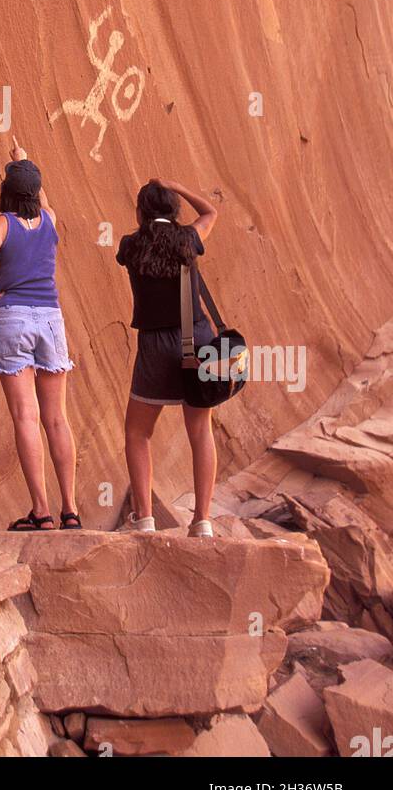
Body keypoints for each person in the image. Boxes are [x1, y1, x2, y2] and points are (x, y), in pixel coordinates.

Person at [0, 137, 80, 531]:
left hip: (12, 316)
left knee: (25, 417)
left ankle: (42, 511)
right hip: (51, 318)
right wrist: (26, 160)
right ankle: (70, 509)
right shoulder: (49, 219)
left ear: (5, 191)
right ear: (35, 191)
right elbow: (41, 194)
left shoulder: (0, 224)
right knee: (57, 419)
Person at [116, 178, 219, 538]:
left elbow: (134, 249)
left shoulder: (130, 246)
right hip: (195, 340)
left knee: (137, 432)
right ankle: (202, 520)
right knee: (200, 430)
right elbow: (210, 211)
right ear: (174, 210)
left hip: (155, 346)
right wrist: (180, 186)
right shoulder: (188, 239)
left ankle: (144, 519)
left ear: (141, 210)